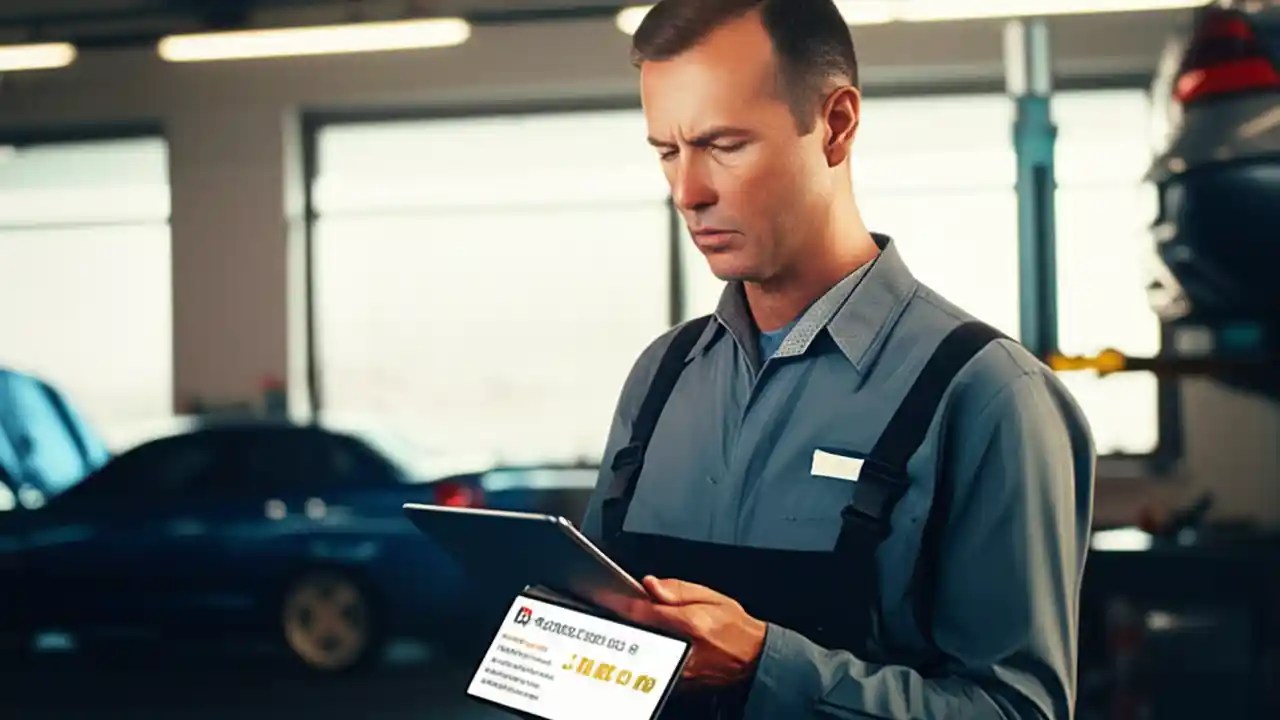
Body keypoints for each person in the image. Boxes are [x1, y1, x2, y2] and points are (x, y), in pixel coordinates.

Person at [578, 1, 1097, 718]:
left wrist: (764, 666)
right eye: (668, 151)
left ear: (836, 125)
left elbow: (1018, 710)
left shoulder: (989, 397)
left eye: (724, 144)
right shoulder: (662, 378)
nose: (688, 192)